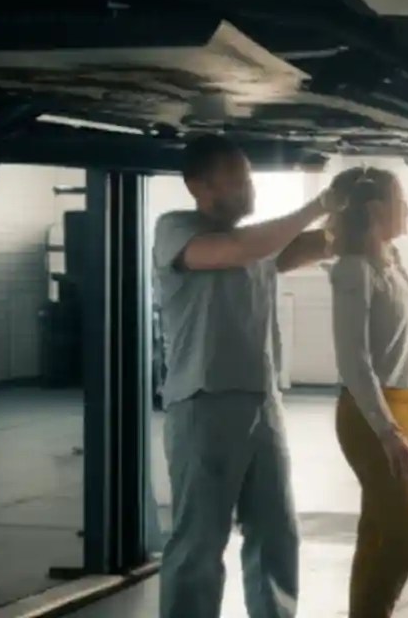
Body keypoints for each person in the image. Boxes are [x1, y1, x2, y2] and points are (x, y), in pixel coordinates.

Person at [153, 134, 336, 618]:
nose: (248, 191)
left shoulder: (257, 242)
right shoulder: (177, 230)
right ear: (198, 187)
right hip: (203, 404)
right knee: (199, 543)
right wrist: (317, 205)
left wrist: (360, 220)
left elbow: (303, 246)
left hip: (261, 403)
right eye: (236, 182)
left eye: (249, 180)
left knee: (276, 533)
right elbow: (235, 249)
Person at [327, 165, 408, 618]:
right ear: (378, 209)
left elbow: (406, 349)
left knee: (377, 531)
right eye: (402, 200)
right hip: (369, 415)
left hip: (402, 406)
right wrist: (387, 431)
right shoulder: (353, 271)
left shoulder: (395, 264)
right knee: (405, 538)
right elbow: (354, 362)